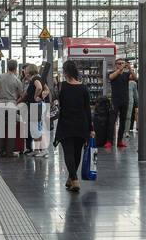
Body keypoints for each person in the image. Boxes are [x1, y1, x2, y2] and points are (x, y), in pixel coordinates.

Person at [54, 60, 94, 191]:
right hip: (81, 124)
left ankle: (75, 179)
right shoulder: (83, 87)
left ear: (65, 71)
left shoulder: (61, 86)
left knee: (68, 153)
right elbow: (87, 109)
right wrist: (91, 129)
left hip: (66, 123)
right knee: (77, 153)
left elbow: (54, 100)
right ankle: (71, 179)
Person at [0, 60, 23, 157]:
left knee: (0, 129)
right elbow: (21, 94)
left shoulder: (0, 77)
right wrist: (16, 99)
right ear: (15, 68)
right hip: (11, 104)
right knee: (11, 129)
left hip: (1, 103)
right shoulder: (16, 80)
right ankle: (9, 152)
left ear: (7, 67)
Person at [21, 63, 49, 158]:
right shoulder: (39, 78)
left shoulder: (35, 79)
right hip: (36, 106)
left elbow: (40, 87)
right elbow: (46, 89)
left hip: (35, 106)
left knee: (37, 128)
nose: (26, 73)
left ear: (30, 71)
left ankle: (44, 149)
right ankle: (37, 150)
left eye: (27, 71)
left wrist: (36, 96)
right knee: (34, 128)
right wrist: (41, 96)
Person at [106, 58, 131, 148]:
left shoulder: (126, 74)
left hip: (125, 100)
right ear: (115, 65)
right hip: (115, 100)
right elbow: (110, 77)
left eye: (122, 63)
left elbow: (135, 78)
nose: (121, 65)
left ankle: (119, 140)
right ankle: (109, 141)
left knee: (123, 120)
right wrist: (120, 69)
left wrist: (130, 68)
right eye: (119, 63)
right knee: (112, 120)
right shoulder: (113, 73)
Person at [126, 70, 140, 136]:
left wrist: (137, 102)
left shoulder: (134, 83)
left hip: (130, 101)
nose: (131, 76)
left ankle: (126, 130)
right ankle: (124, 129)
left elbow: (135, 94)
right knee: (124, 116)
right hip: (123, 101)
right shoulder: (123, 81)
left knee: (128, 116)